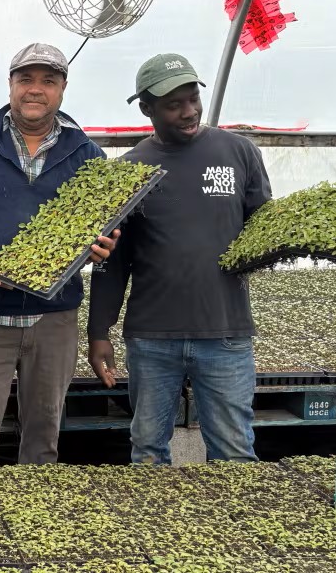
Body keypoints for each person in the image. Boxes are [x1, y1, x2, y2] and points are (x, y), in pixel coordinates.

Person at [0, 43, 117, 467]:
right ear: (10, 85)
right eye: (25, 79)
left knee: (44, 437)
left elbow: (102, 227)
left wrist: (99, 248)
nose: (36, 90)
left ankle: (37, 526)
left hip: (54, 319)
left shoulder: (87, 154)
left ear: (63, 88)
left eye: (48, 81)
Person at [87, 53, 272, 465]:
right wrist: (98, 330)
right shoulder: (130, 169)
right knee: (149, 448)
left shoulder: (238, 152)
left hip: (224, 331)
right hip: (152, 336)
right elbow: (111, 261)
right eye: (174, 105)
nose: (189, 112)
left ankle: (236, 527)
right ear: (147, 108)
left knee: (234, 450)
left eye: (193, 99)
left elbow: (266, 229)